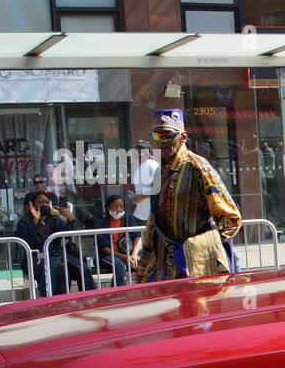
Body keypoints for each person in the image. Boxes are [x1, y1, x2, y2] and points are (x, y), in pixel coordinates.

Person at [135, 109, 242, 282]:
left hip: (195, 269)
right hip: (162, 268)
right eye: (156, 136)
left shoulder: (198, 167)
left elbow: (231, 219)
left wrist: (198, 247)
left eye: (167, 135)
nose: (162, 141)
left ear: (183, 137)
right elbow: (153, 221)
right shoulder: (158, 172)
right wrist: (143, 264)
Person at [15, 190, 96, 295]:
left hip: (58, 254)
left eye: (46, 202)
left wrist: (71, 220)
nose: (44, 205)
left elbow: (66, 235)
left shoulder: (54, 219)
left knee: (81, 267)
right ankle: (58, 302)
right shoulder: (25, 221)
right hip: (37, 258)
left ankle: (88, 298)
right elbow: (28, 242)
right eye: (40, 202)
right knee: (62, 270)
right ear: (32, 205)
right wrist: (35, 223)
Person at [97, 194, 138, 286]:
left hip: (129, 254)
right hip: (108, 256)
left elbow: (137, 237)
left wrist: (134, 254)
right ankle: (114, 294)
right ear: (108, 208)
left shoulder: (129, 219)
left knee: (142, 263)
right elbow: (104, 249)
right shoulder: (101, 223)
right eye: (115, 206)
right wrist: (124, 257)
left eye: (121, 207)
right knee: (120, 266)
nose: (119, 209)